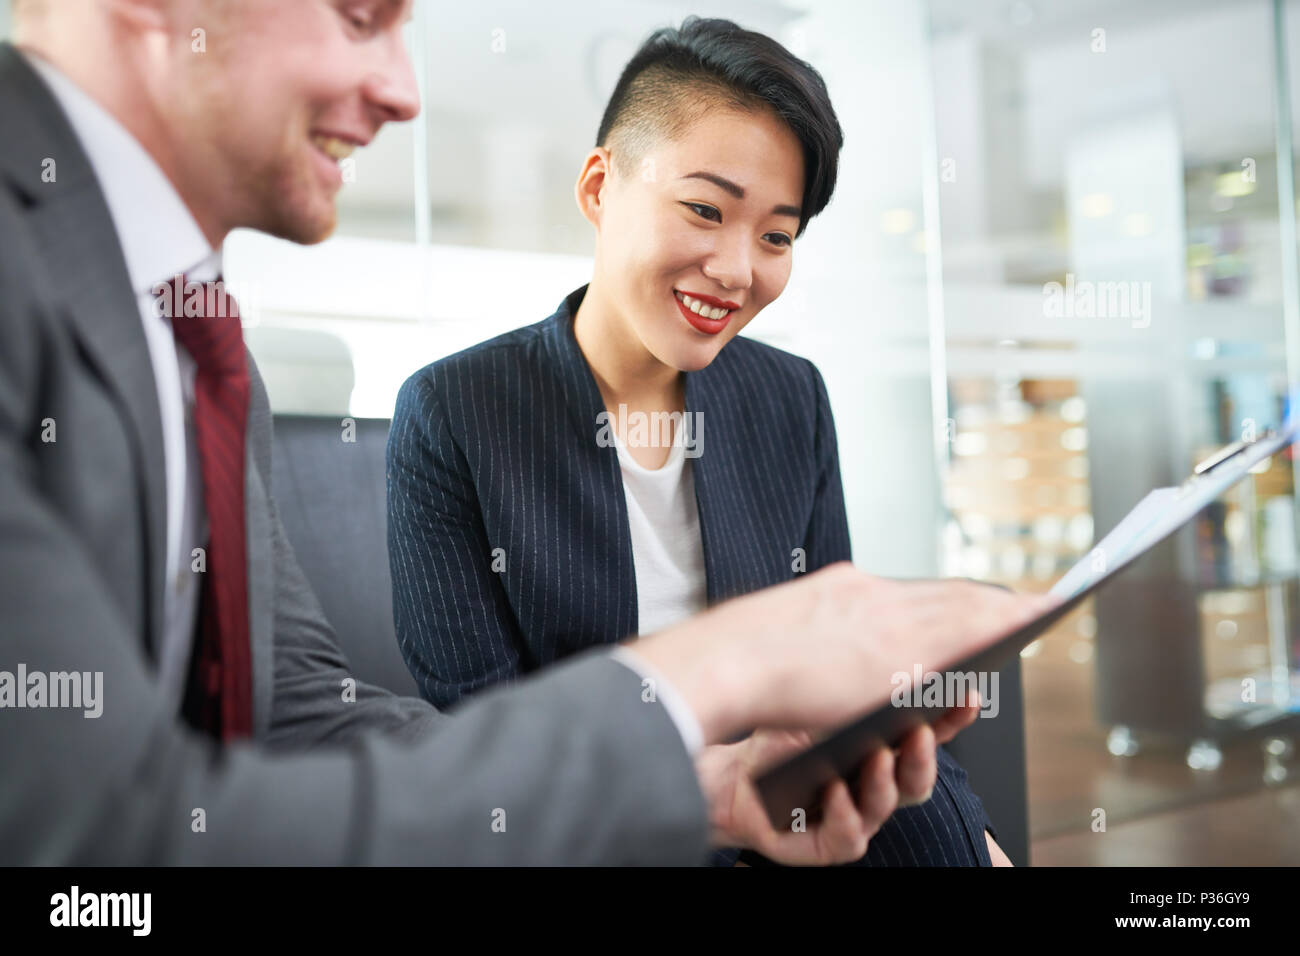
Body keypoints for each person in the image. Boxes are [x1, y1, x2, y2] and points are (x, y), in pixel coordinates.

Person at [0, 0, 1045, 866]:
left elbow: (300, 704)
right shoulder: (454, 409)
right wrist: (719, 666)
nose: (404, 90)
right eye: (362, 17)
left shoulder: (195, 336)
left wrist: (705, 784)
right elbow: (100, 829)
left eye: (776, 235)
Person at [388, 17, 1013, 866]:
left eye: (776, 236)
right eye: (704, 209)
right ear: (601, 188)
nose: (735, 268)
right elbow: (480, 732)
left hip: (791, 792)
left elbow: (836, 669)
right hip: (598, 821)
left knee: (937, 815)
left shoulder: (788, 396)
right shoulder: (452, 411)